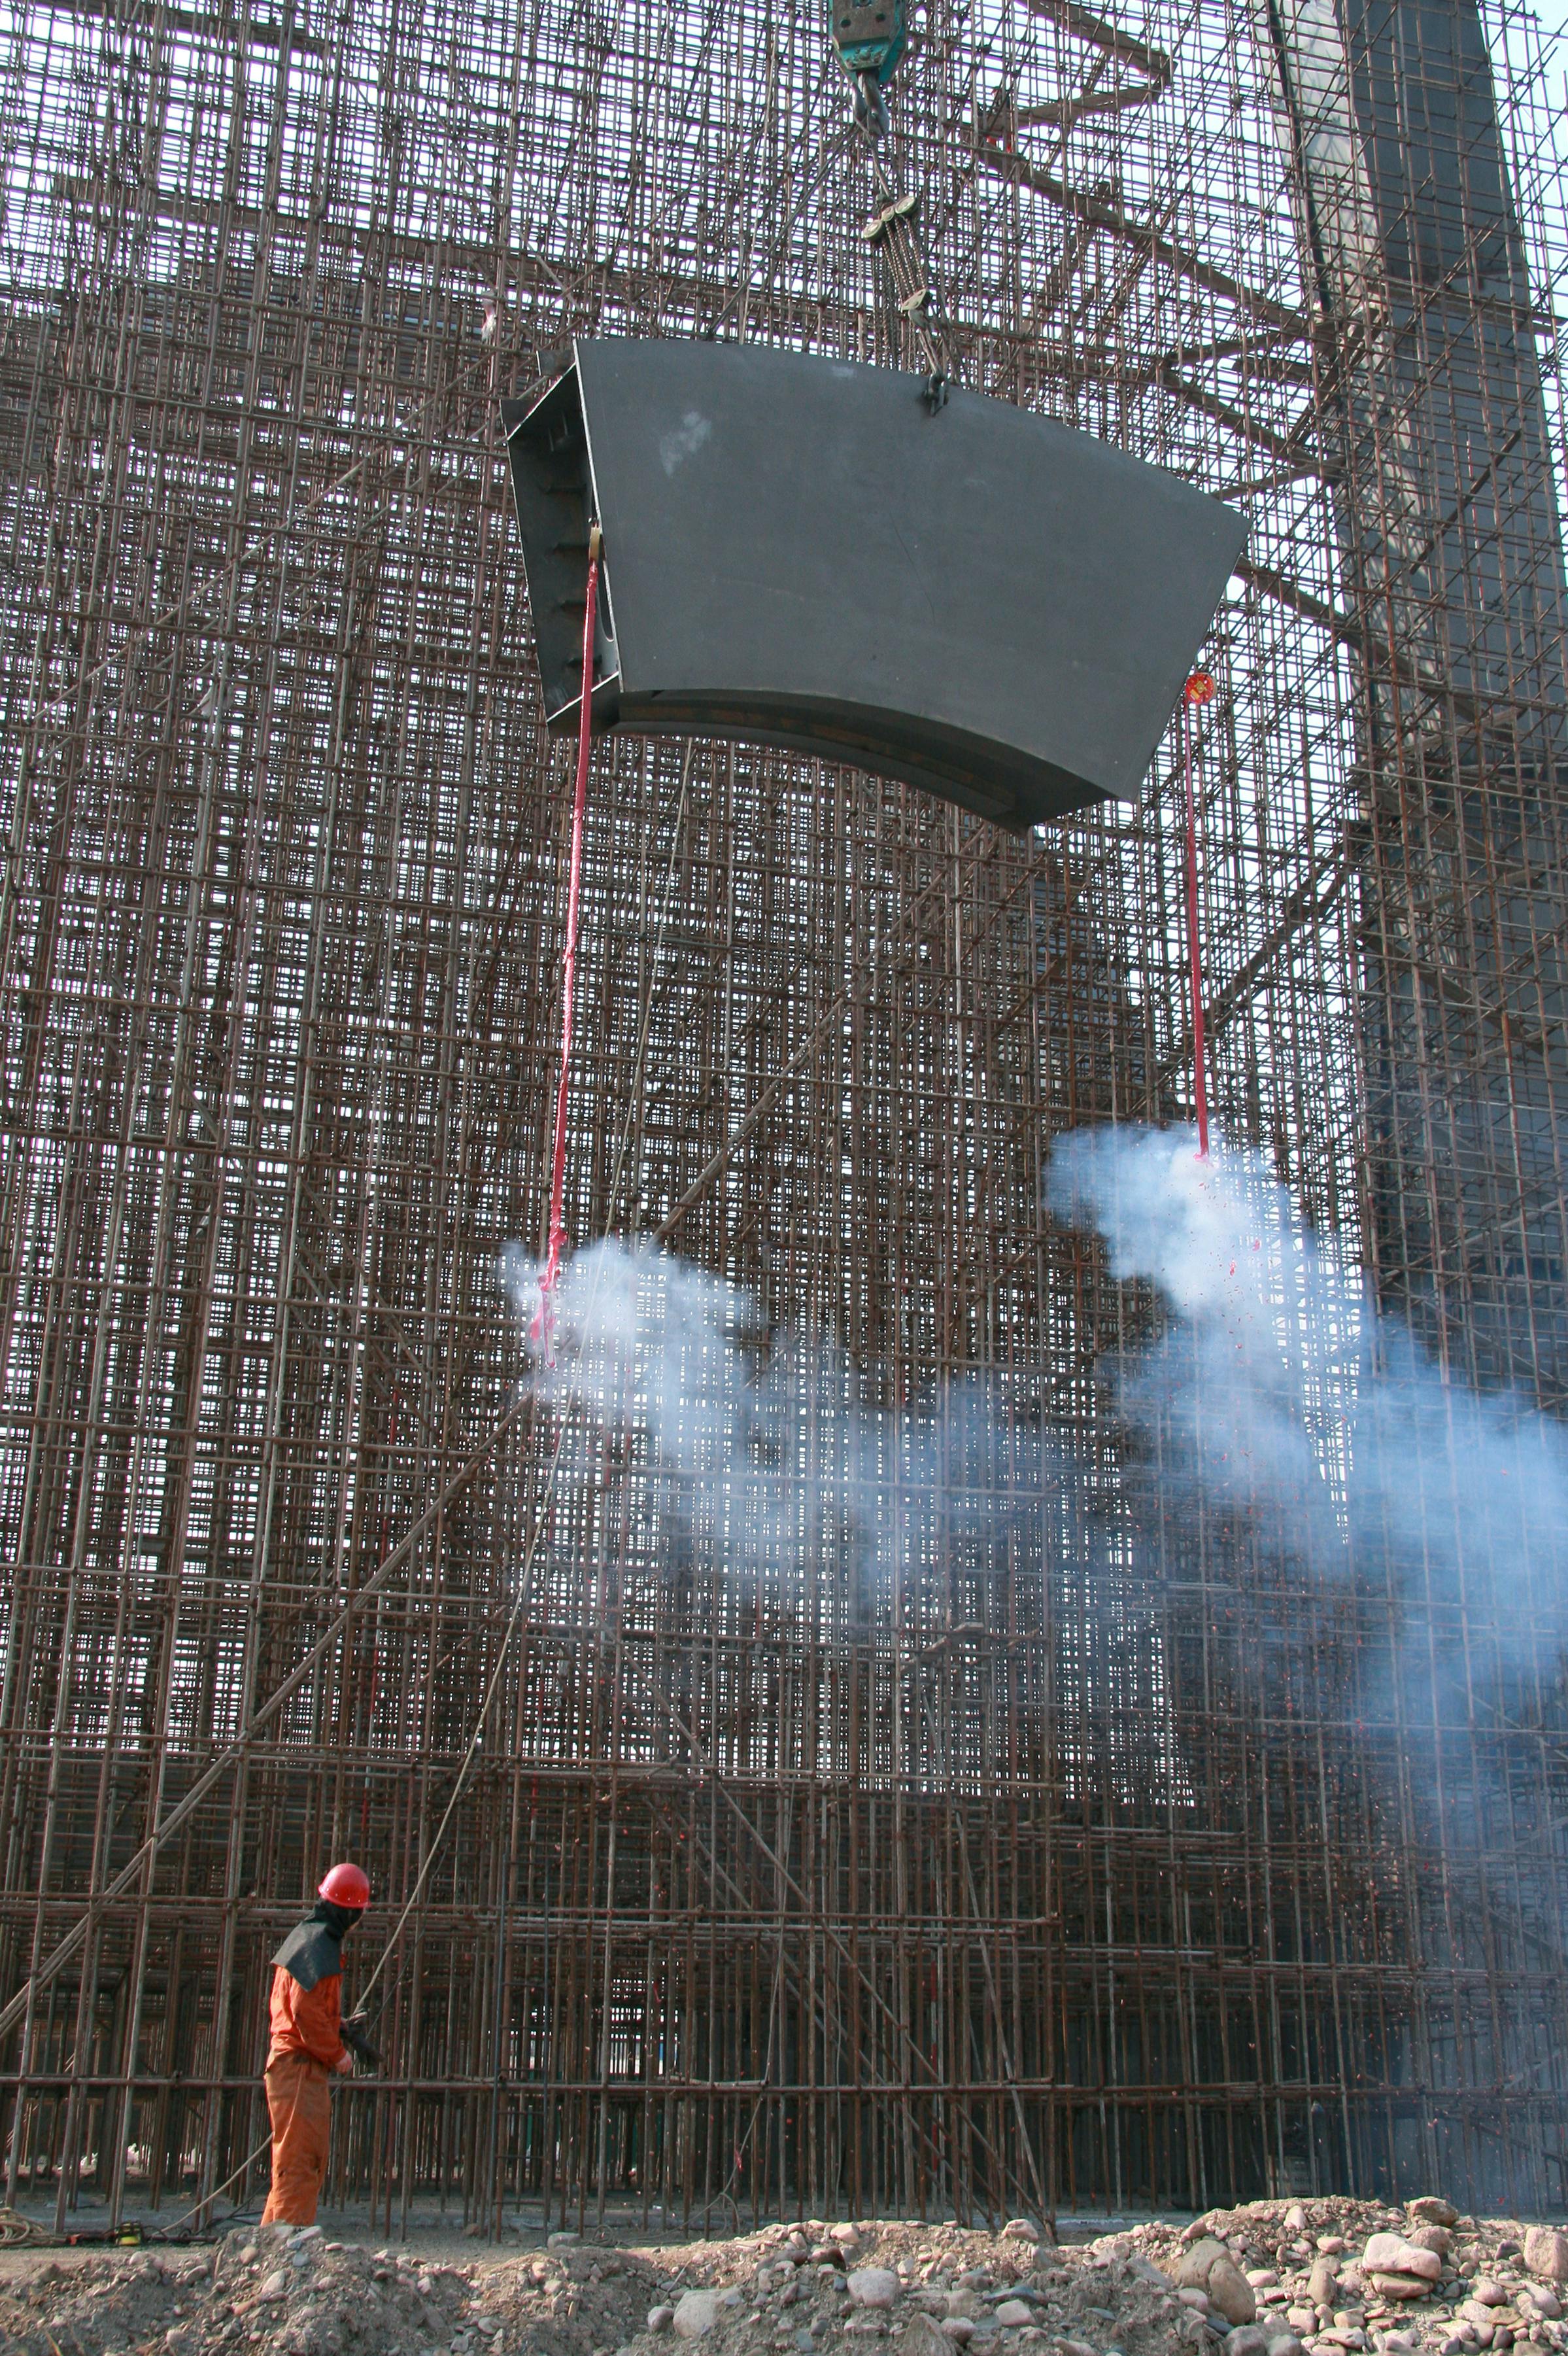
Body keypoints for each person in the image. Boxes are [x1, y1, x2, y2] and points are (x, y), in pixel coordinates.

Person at [260, 1863, 379, 2228]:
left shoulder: (308, 1941)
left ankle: (270, 2243)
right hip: (299, 2066)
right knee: (302, 2160)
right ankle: (289, 2241)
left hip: (293, 2064)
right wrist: (337, 2054)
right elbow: (305, 2013)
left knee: (292, 2159)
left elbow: (305, 2007)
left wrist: (338, 2028)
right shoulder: (318, 1948)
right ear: (350, 1912)